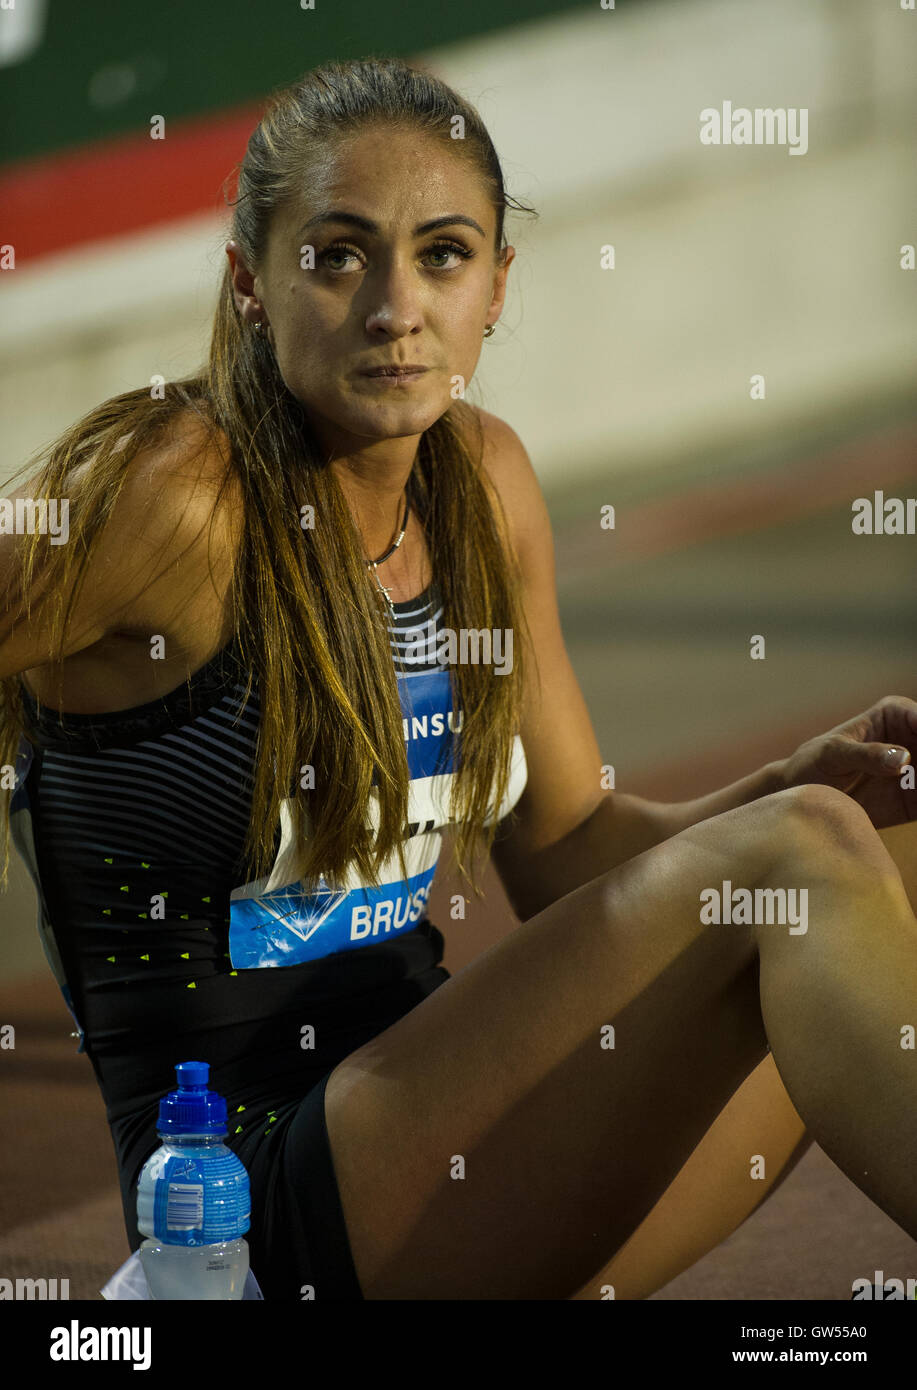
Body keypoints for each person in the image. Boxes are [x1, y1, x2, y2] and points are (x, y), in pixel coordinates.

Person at [1, 55, 916, 1303]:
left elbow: (573, 848)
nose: (394, 307)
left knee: (878, 838)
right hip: (246, 1210)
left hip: (452, 1150)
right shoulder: (175, 496)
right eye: (336, 255)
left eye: (441, 255)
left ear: (496, 287)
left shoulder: (481, 484)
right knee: (805, 856)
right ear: (250, 285)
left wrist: (777, 784)